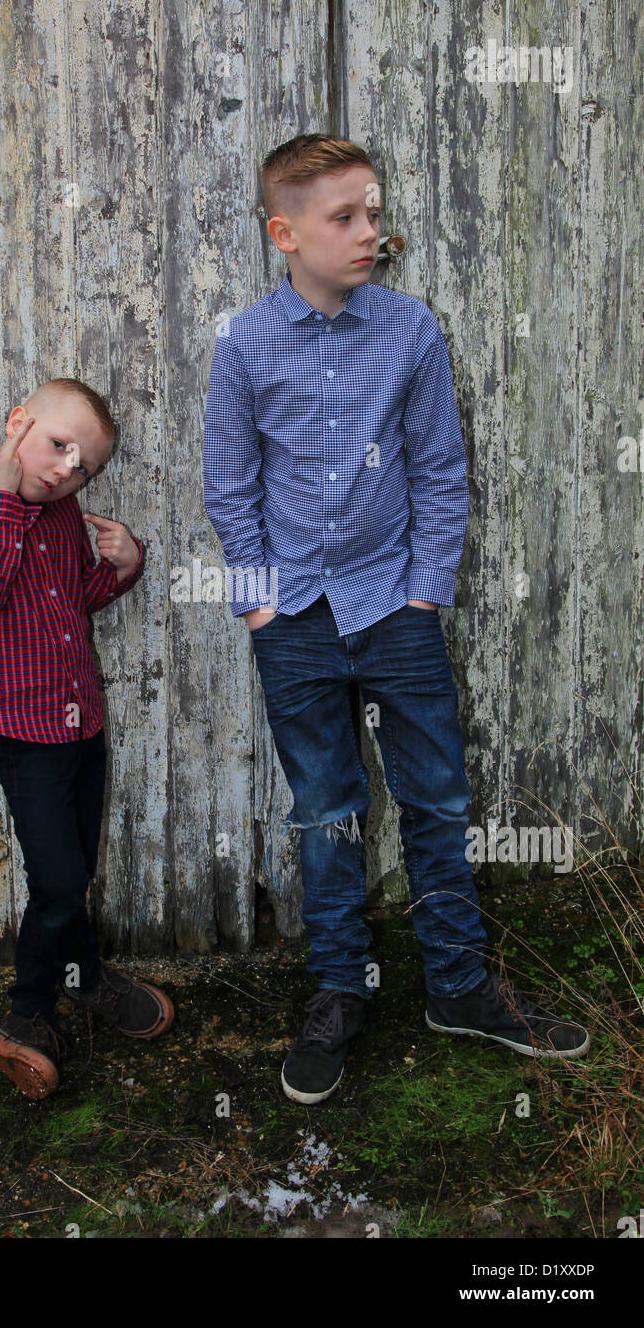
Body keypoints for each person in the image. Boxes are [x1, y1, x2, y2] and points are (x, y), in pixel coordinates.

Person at [202, 133, 589, 1105]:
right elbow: (228, 484)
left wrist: (423, 592)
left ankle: (457, 984)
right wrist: (255, 601)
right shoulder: (245, 345)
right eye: (345, 217)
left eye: (373, 211)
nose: (369, 230)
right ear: (282, 233)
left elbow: (437, 468)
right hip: (291, 614)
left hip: (393, 606)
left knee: (435, 799)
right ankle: (339, 987)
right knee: (326, 811)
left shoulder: (409, 330)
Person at [0, 378, 173, 1100]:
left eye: (83, 465)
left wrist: (122, 568)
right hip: (21, 732)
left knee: (75, 870)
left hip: (80, 721)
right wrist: (1, 496)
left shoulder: (61, 515)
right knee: (58, 880)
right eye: (60, 446)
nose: (67, 470)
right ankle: (26, 1015)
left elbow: (74, 601)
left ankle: (85, 978)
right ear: (17, 422)